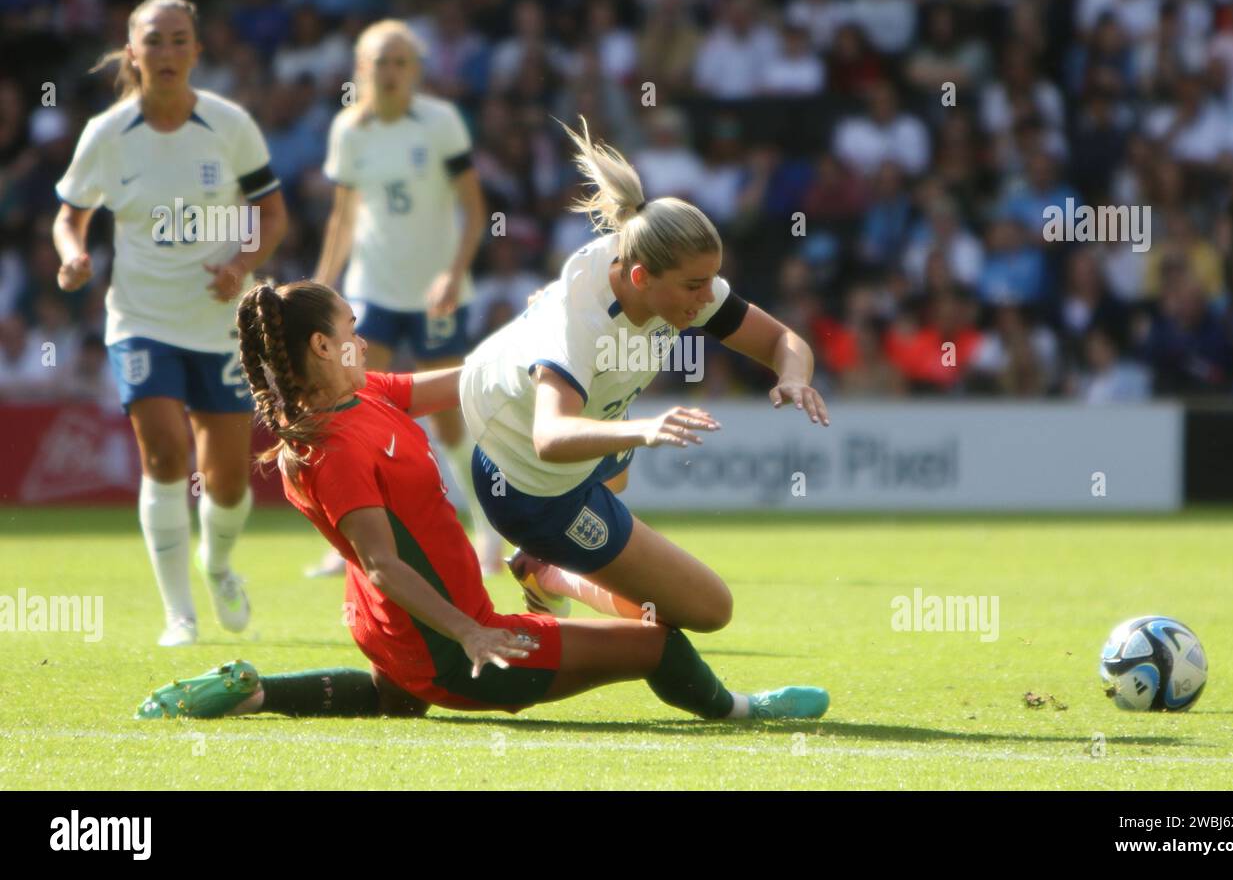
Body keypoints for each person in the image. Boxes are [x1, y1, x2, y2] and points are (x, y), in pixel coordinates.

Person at [134, 281, 828, 721]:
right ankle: (743, 709)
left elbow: (466, 382)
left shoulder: (361, 393)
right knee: (654, 642)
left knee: (391, 699)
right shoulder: (332, 447)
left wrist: (538, 338)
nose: (362, 337)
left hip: (390, 634)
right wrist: (469, 633)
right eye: (350, 329)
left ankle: (255, 692)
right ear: (322, 345)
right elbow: (382, 564)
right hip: (450, 643)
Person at [459, 119, 830, 631]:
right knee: (702, 611)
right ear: (640, 278)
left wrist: (793, 376)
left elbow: (781, 340)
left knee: (619, 475)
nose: (707, 299)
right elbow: (550, 436)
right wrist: (646, 429)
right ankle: (546, 569)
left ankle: (548, 563)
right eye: (696, 286)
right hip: (524, 469)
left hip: (587, 416)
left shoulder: (661, 273)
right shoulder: (578, 325)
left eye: (712, 281)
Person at [53, 0, 287, 646]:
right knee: (162, 454)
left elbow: (272, 215)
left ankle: (217, 564)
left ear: (197, 51)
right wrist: (72, 255)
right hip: (140, 320)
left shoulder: (231, 125)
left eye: (179, 40)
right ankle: (178, 615)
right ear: (132, 52)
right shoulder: (106, 134)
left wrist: (242, 264)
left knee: (230, 481)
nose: (167, 53)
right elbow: (71, 212)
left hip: (218, 325)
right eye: (153, 41)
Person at [310, 18, 496, 577]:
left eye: (400, 62)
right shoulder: (349, 129)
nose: (389, 73)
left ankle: (487, 528)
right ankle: (355, 540)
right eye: (378, 62)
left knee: (452, 419)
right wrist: (318, 291)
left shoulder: (440, 123)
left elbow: (475, 208)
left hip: (437, 293)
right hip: (371, 291)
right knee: (352, 408)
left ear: (415, 71)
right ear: (360, 70)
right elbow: (343, 218)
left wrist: (453, 273)